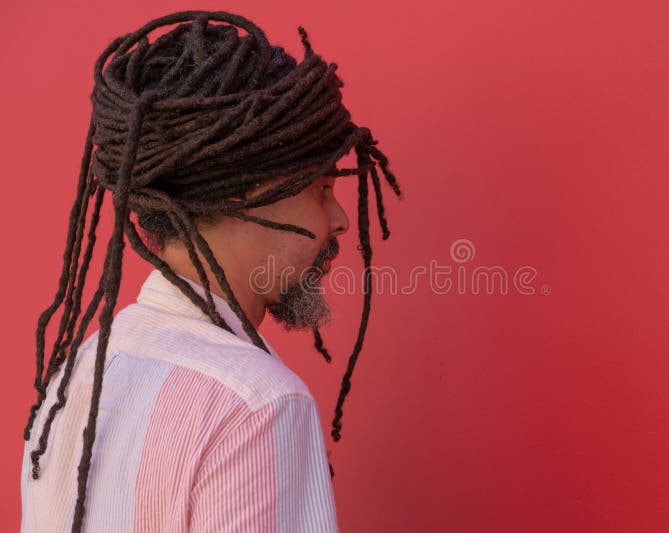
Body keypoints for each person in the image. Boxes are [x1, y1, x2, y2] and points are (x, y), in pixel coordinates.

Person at [20, 10, 403, 532]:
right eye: (321, 189)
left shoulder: (75, 378)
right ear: (246, 192)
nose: (339, 220)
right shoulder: (256, 406)